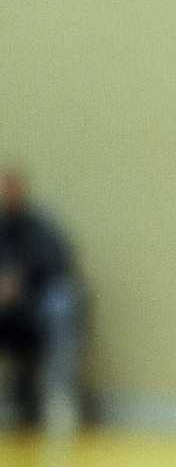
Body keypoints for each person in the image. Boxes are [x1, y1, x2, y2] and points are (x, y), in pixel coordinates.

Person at [0, 166, 84, 431]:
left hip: (34, 307)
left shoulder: (42, 228)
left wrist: (20, 283)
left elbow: (57, 266)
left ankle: (58, 398)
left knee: (62, 304)